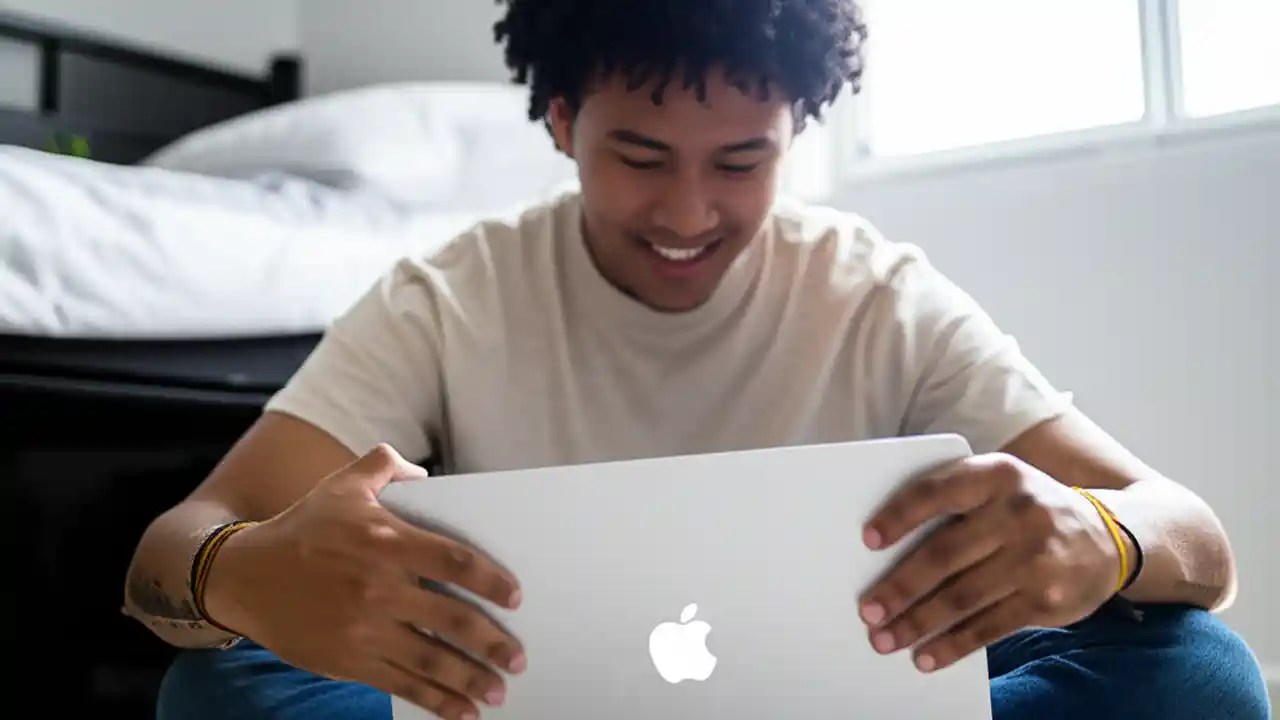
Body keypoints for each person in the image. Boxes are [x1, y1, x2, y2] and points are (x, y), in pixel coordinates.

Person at [127, 1, 1271, 718]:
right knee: (215, 686)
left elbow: (1195, 541)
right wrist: (241, 571)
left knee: (1198, 670)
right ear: (561, 120)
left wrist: (1100, 534)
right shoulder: (450, 295)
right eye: (638, 156)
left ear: (792, 134)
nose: (686, 213)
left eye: (739, 162)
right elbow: (171, 549)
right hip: (528, 704)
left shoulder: (873, 291)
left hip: (835, 704)